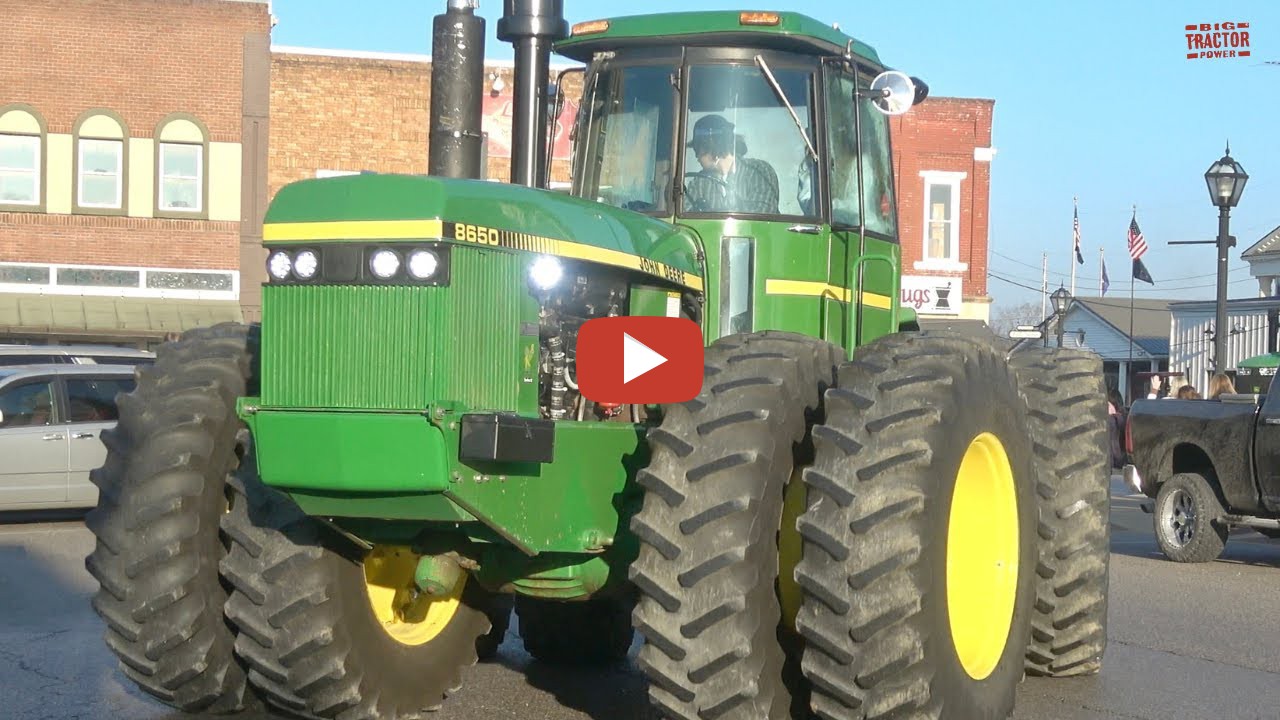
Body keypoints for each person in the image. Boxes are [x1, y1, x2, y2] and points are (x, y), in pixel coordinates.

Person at [684, 114, 779, 215]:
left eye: (697, 149)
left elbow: (761, 217)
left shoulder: (759, 172)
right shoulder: (699, 183)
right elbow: (685, 212)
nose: (696, 156)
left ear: (712, 145)